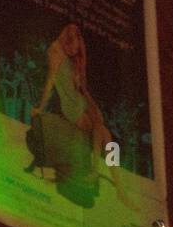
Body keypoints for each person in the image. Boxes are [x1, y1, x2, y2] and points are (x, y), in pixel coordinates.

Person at [31, 22, 134, 207]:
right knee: (101, 131)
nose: (73, 52)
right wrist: (40, 107)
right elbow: (50, 82)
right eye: (71, 48)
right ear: (66, 41)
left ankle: (112, 181)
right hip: (70, 107)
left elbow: (81, 90)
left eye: (76, 49)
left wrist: (92, 104)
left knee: (105, 133)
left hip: (80, 101)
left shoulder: (73, 59)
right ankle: (115, 185)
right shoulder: (55, 50)